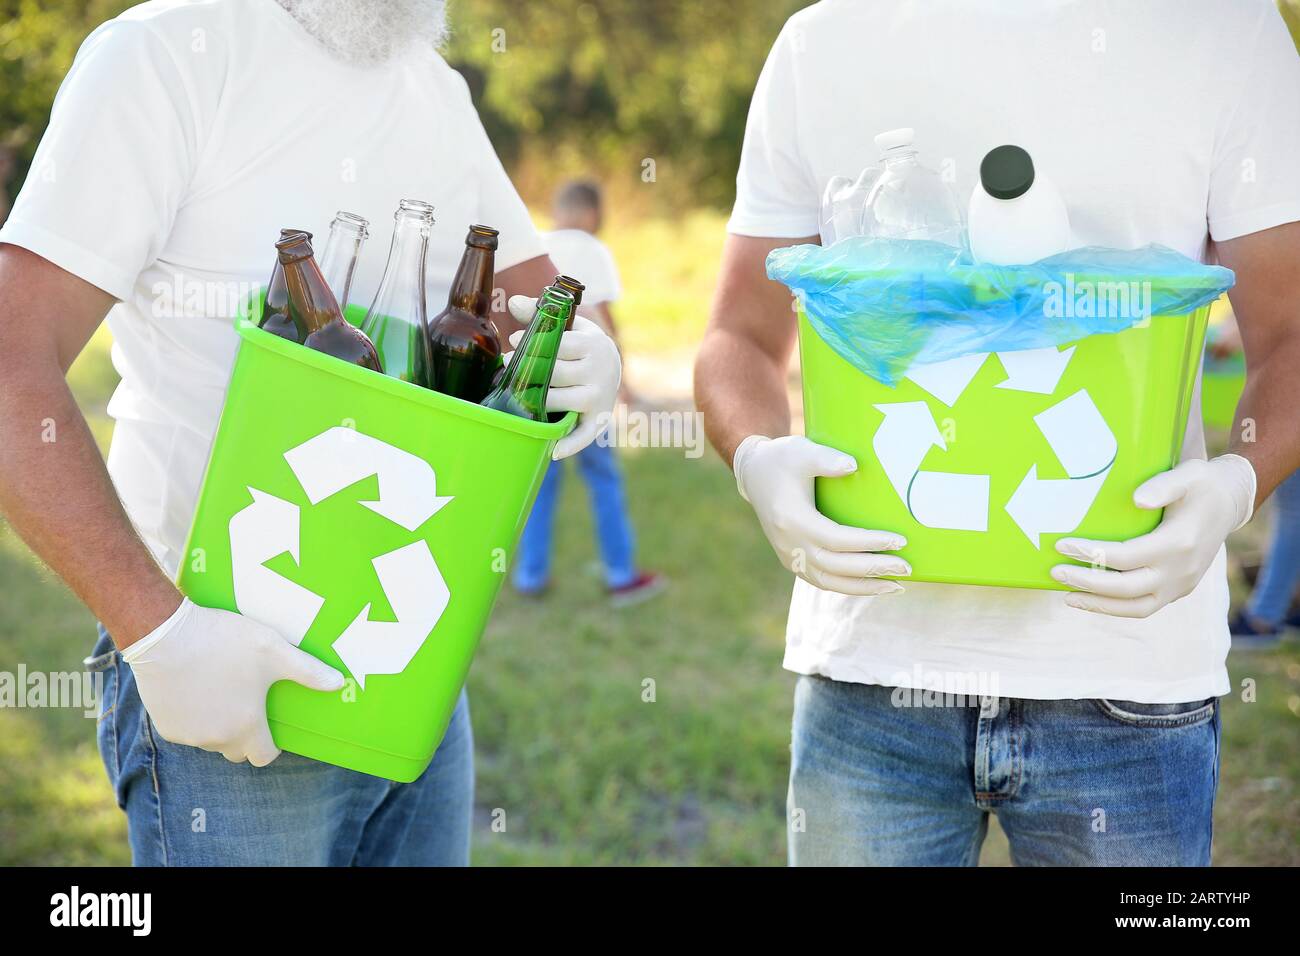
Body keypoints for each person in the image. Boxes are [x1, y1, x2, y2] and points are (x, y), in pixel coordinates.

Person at [0, 0, 620, 867]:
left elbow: (531, 305)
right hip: (222, 672)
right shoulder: (163, 53)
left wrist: (587, 358)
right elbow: (9, 364)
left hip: (413, 656)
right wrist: (160, 635)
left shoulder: (431, 84)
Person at [695, 0, 1300, 866]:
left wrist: (1239, 484)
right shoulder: (823, 41)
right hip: (870, 678)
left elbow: (1292, 335)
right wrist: (757, 457)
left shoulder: (1220, 29)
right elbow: (738, 337)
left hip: (1128, 681)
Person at [512, 180, 665, 606]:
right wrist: (624, 383)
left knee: (542, 481)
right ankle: (621, 574)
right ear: (593, 215)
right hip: (582, 385)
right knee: (603, 478)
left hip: (540, 386)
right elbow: (602, 316)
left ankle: (530, 574)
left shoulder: (536, 245)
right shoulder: (594, 250)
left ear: (556, 208)